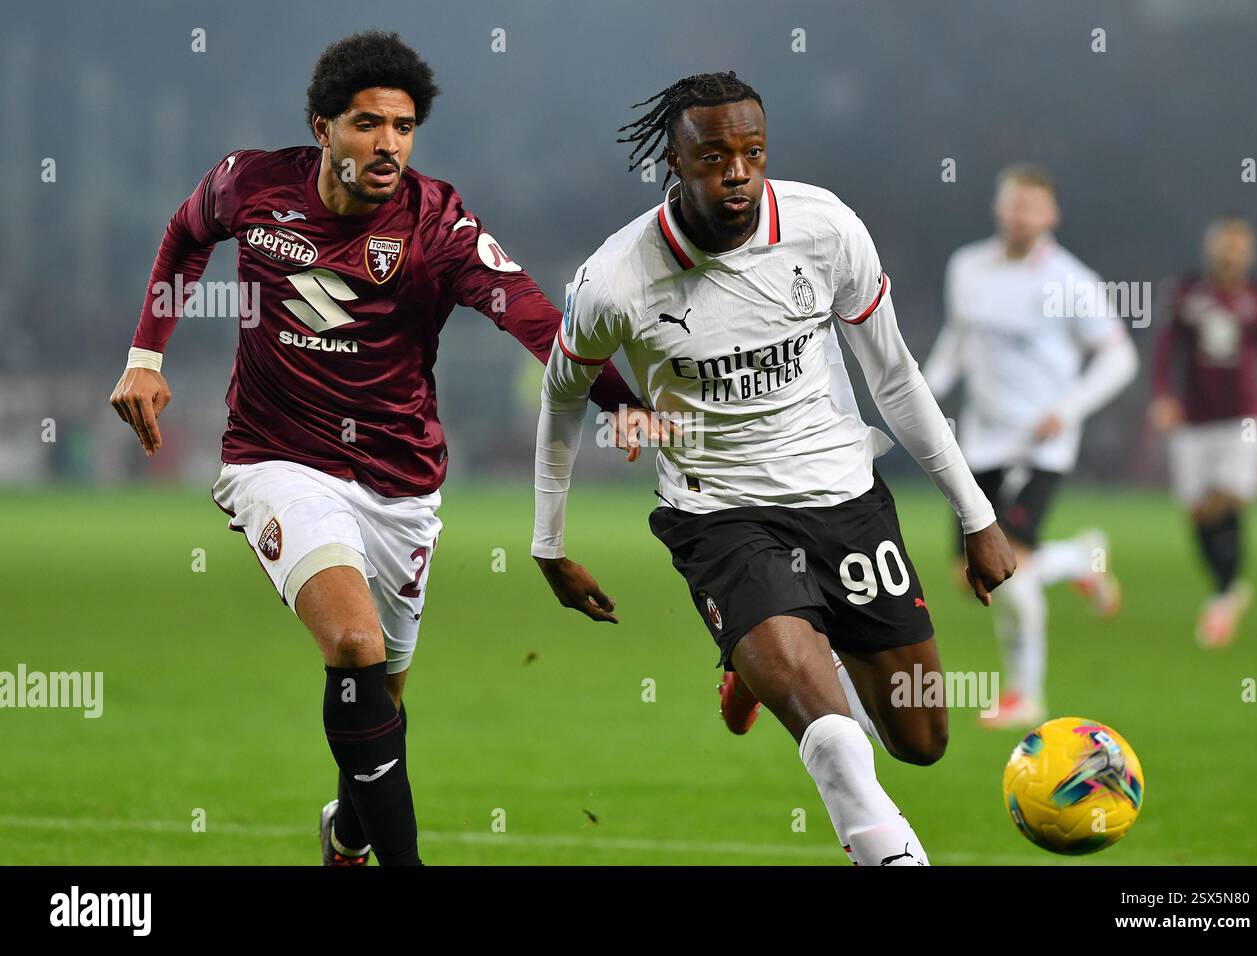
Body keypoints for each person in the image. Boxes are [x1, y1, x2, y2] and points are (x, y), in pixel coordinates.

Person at [108, 31, 655, 866]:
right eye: (367, 124)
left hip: (401, 486)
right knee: (355, 648)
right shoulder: (249, 182)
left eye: (402, 128)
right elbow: (186, 234)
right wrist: (146, 354)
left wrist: (620, 400)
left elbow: (535, 316)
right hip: (276, 459)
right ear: (321, 126)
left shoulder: (438, 221)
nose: (387, 144)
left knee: (379, 700)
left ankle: (346, 834)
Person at [529, 72, 1015, 865]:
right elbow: (561, 401)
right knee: (832, 738)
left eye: (752, 152)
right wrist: (548, 544)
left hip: (844, 500)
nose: (738, 171)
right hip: (720, 516)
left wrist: (977, 515)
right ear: (674, 165)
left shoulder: (824, 229)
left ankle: (757, 669)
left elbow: (894, 376)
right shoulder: (615, 279)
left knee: (921, 737)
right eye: (714, 155)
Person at [920, 165, 1138, 729]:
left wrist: (1066, 410)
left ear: (1051, 216)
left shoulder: (1071, 281)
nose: (1021, 215)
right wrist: (929, 386)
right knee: (974, 577)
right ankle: (1080, 557)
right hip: (980, 440)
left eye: (1033, 207)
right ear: (999, 207)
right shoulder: (967, 267)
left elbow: (1120, 358)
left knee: (1009, 563)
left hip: (1040, 443)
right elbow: (960, 338)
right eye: (1013, 204)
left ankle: (1025, 693)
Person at [1149, 215, 1257, 647]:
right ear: (1210, 249)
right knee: (1198, 510)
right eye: (1224, 246)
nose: (1231, 255)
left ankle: (1222, 599)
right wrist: (1163, 396)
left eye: (1239, 247)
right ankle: (1228, 591)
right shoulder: (1185, 292)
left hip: (1244, 419)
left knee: (1228, 496)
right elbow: (1164, 349)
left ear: (1249, 253)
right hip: (1194, 419)